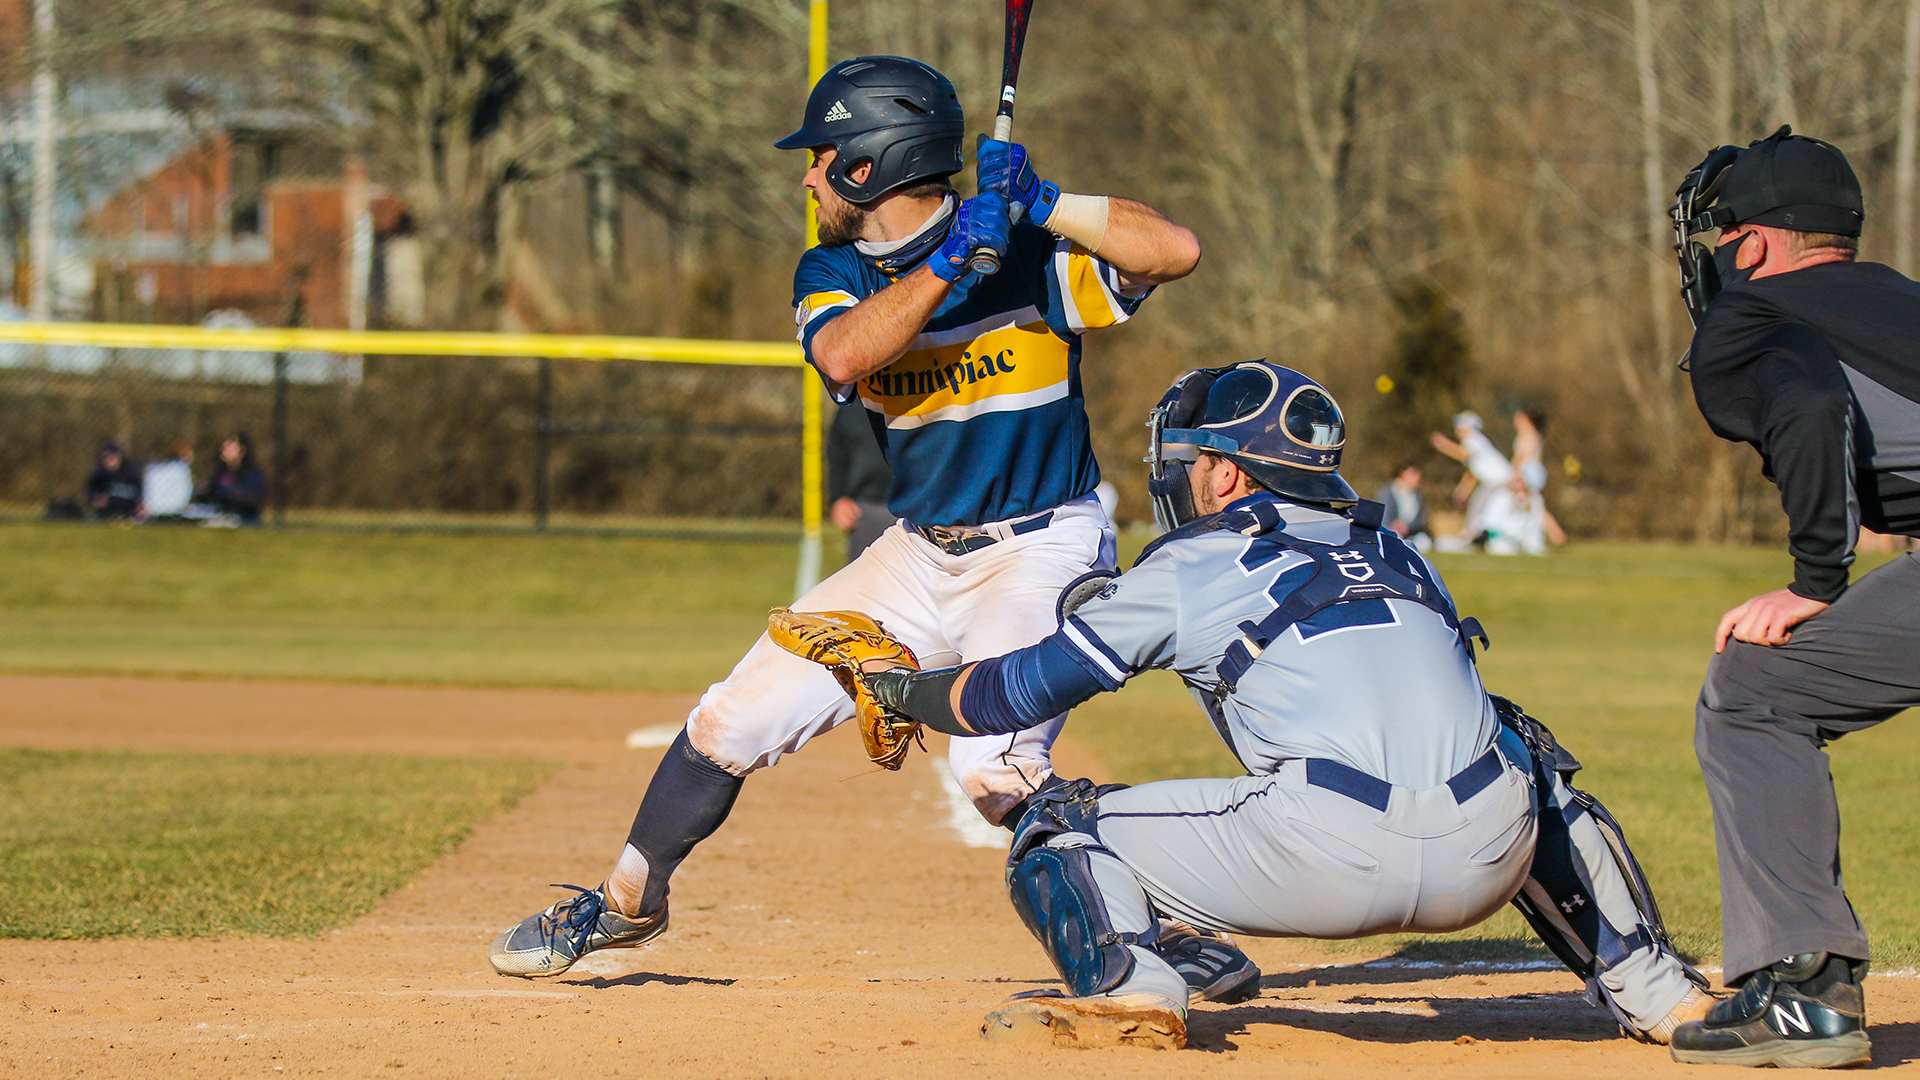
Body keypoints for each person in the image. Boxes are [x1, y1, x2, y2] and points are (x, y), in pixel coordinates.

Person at [486, 54, 1222, 988]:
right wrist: (950, 264)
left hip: (1041, 547)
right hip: (916, 554)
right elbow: (844, 353)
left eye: (822, 157)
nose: (808, 177)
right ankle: (628, 901)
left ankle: (1162, 923)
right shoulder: (832, 268)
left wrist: (1046, 202)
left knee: (993, 770)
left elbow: (1175, 252)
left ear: (871, 165)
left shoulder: (1031, 254)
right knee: (730, 718)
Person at [799, 362, 1709, 1049]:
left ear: (1230, 475)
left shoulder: (1191, 561)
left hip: (1328, 854)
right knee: (1516, 747)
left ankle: (1134, 990)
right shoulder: (1399, 550)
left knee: (1057, 826)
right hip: (1489, 856)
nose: (1181, 476)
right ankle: (1659, 992)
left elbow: (1011, 694)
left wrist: (900, 689)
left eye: (1192, 460)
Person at [1665, 127, 1920, 1068]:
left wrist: (1816, 580)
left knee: (1754, 692)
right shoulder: (1902, 300)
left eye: (1725, 237)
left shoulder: (1756, 313)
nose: (1720, 258)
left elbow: (1812, 406)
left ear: (1759, 244)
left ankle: (1806, 994)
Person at [827, 399, 893, 560]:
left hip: (915, 507)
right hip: (864, 508)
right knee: (867, 572)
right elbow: (837, 452)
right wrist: (839, 497)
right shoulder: (853, 403)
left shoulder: (924, 393)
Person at [197, 434, 267, 526]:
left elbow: (254, 498)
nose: (225, 450)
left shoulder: (251, 473)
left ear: (242, 450)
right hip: (222, 515)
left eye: (230, 447)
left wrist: (230, 493)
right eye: (224, 447)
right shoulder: (220, 472)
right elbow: (213, 493)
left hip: (245, 518)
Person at [1373, 462, 1430, 550]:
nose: (1418, 478)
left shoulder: (1417, 496)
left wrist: (1408, 527)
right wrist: (1393, 525)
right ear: (1402, 474)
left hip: (1412, 533)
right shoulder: (1387, 492)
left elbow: (1422, 519)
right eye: (1413, 474)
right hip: (1391, 531)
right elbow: (1382, 514)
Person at [84, 442, 142, 520]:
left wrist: (140, 504)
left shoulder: (130, 473)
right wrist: (97, 499)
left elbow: (138, 493)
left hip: (129, 512)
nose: (111, 459)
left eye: (114, 457)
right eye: (109, 457)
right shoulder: (99, 475)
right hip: (105, 513)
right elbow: (90, 493)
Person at [139, 442, 194, 521]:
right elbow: (185, 492)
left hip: (154, 510)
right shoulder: (183, 470)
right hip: (176, 510)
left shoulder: (153, 469)